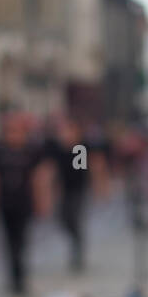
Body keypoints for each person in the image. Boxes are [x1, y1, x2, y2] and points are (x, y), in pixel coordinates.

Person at [0, 111, 44, 297]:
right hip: (5, 203)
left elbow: (39, 177)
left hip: (24, 202)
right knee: (8, 242)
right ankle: (13, 279)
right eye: (10, 131)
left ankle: (21, 278)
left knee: (21, 242)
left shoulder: (31, 150)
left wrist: (41, 200)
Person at [44, 116, 90, 273]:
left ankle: (77, 251)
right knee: (62, 218)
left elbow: (80, 170)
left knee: (74, 217)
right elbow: (50, 169)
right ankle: (75, 241)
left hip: (77, 190)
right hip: (63, 190)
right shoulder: (57, 149)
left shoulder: (80, 148)